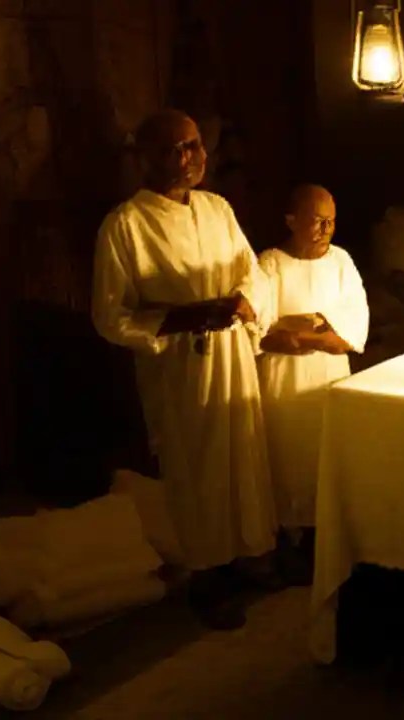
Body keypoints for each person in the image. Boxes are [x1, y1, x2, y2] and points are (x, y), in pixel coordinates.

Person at [91, 109, 279, 630]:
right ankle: (205, 576)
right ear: (143, 157)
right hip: (179, 362)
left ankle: (250, 555)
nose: (186, 159)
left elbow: (253, 270)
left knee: (239, 452)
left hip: (231, 356)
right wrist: (178, 318)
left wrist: (244, 301)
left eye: (193, 146)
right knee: (194, 468)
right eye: (172, 149)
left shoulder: (216, 209)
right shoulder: (125, 225)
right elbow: (110, 315)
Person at [257, 184, 369, 585]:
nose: (325, 229)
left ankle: (323, 543)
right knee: (285, 461)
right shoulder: (270, 264)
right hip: (282, 386)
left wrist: (304, 335)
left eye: (331, 221)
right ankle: (283, 545)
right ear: (291, 220)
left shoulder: (341, 263)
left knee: (324, 458)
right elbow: (262, 331)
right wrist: (312, 327)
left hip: (327, 381)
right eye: (316, 220)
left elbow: (352, 333)